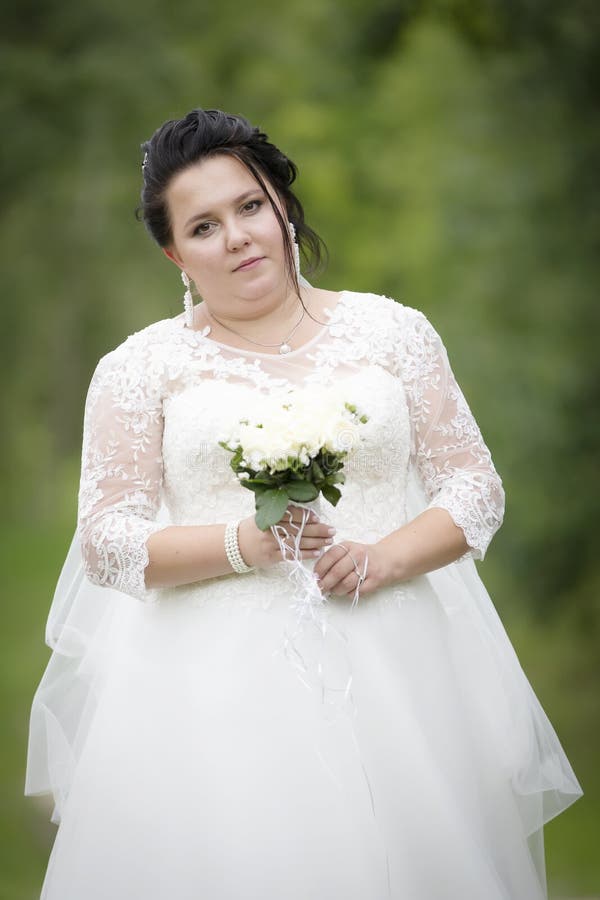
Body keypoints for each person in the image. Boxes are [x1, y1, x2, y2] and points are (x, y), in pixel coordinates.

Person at [26, 107, 582, 900]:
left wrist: (385, 555)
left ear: (283, 206)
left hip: (397, 667)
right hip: (204, 690)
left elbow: (473, 487)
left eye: (250, 207)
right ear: (173, 252)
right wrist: (243, 545)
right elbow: (108, 541)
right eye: (205, 225)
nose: (239, 237)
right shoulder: (138, 370)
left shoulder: (394, 333)